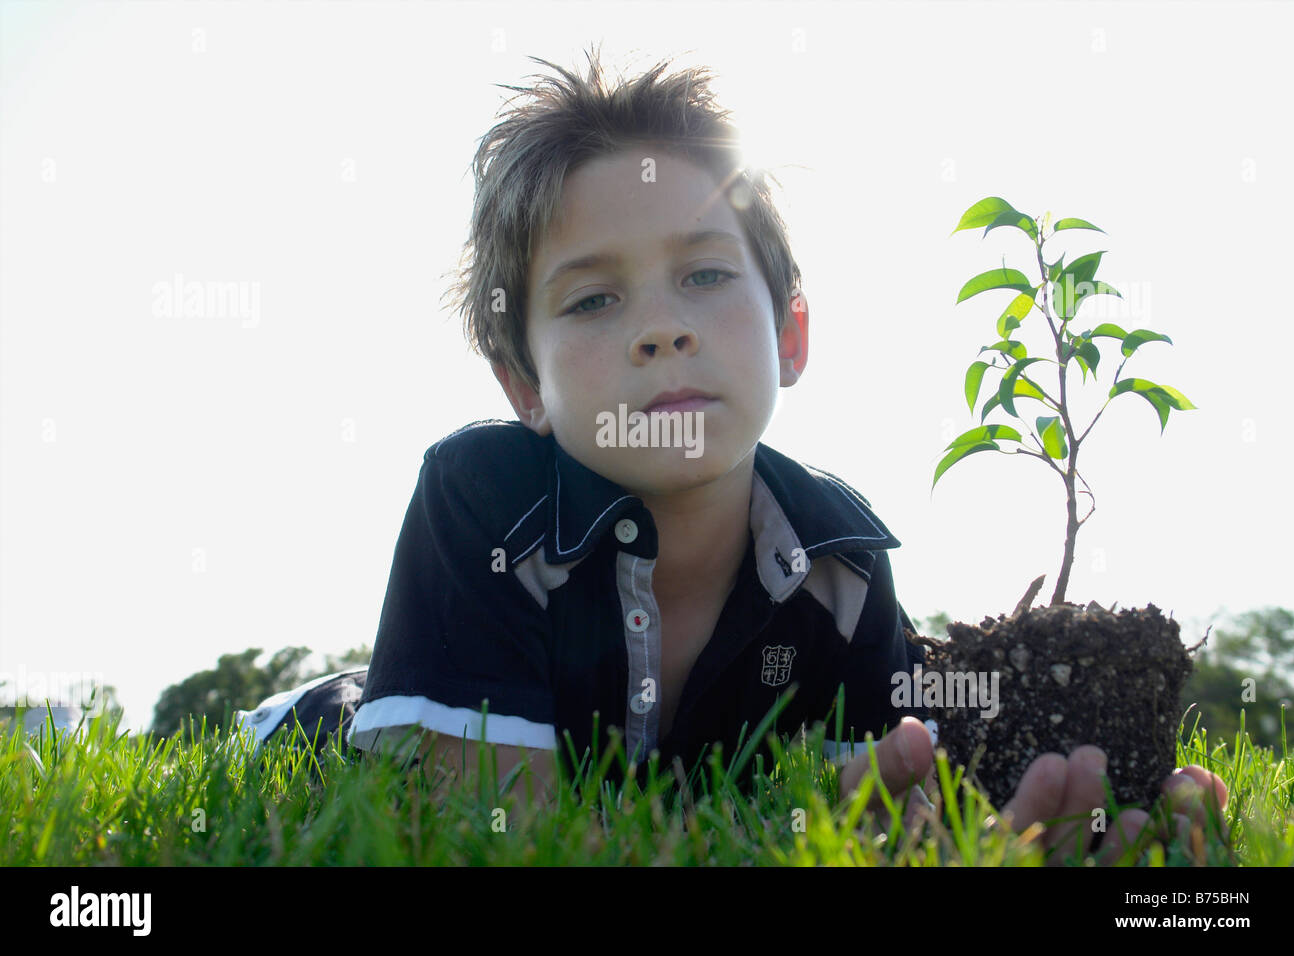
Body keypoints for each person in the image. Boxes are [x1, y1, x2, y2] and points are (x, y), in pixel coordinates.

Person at [234, 47, 1226, 865]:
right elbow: (485, 829)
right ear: (522, 384)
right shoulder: (484, 500)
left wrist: (979, 825)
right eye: (591, 299)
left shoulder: (839, 557)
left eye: (704, 273)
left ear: (791, 334)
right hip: (343, 730)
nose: (661, 327)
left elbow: (896, 788)